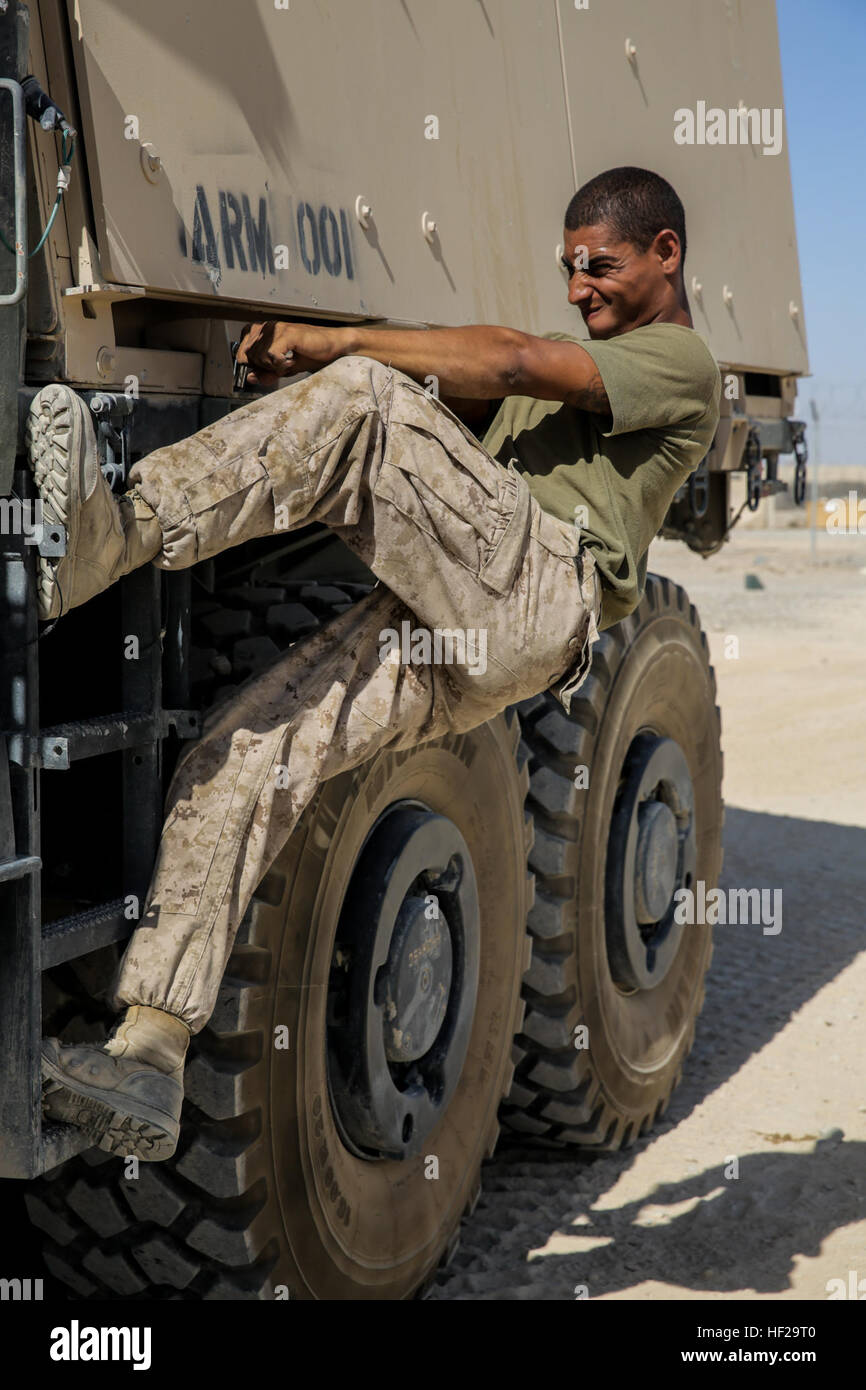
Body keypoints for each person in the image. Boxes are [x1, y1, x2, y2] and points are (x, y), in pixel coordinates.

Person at [34, 166, 720, 1161]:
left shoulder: (678, 360)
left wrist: (335, 344)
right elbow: (469, 401)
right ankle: (152, 1052)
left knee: (360, 400)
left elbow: (516, 361)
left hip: (538, 591)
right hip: (474, 625)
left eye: (599, 265)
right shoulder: (584, 365)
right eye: (569, 268)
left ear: (665, 253)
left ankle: (118, 533)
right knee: (245, 753)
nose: (578, 287)